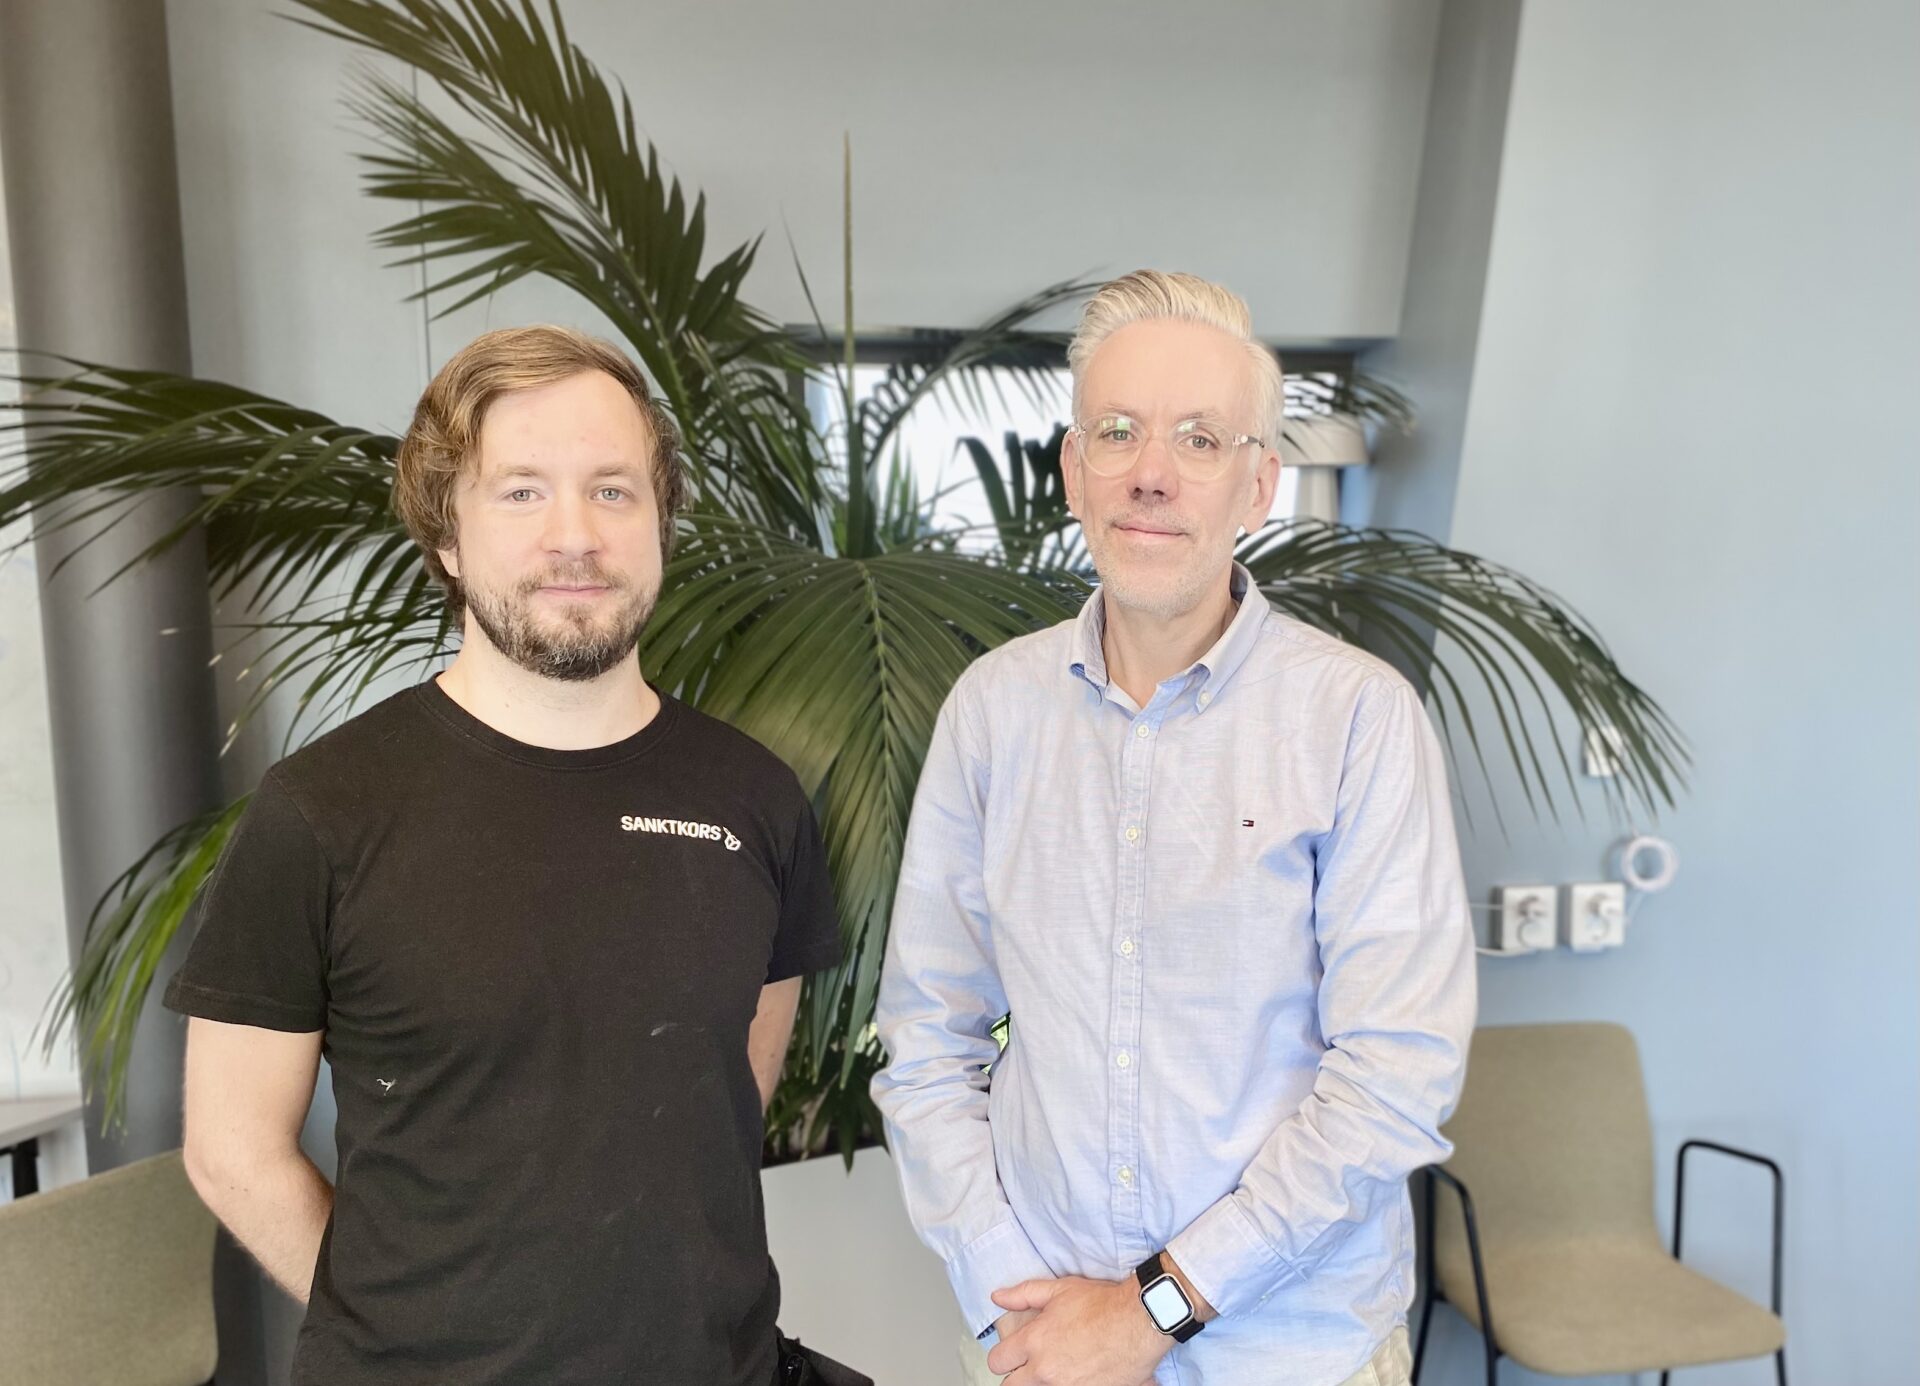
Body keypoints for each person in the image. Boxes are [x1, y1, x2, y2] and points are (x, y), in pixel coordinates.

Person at [165, 325, 843, 1386]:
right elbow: (231, 1148)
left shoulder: (754, 798)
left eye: (613, 491)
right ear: (447, 536)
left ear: (661, 521)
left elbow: (717, 1100)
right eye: (521, 491)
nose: (575, 536)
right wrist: (407, 1342)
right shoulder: (323, 811)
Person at [872, 271, 1476, 1386]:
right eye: (1118, 432)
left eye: (1201, 440)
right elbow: (928, 1042)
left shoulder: (1358, 721)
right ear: (1071, 470)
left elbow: (1394, 1076)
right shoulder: (993, 713)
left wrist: (1153, 1311)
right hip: (1038, 1345)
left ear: (1258, 485)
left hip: (1296, 1354)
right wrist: (1019, 1304)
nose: (1152, 474)